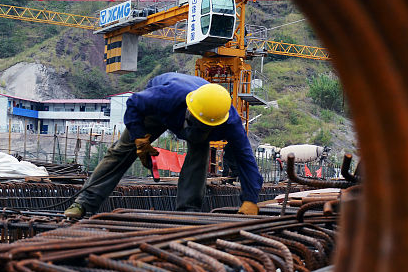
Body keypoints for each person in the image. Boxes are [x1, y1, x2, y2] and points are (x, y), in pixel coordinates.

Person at [63, 73, 262, 219]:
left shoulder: (230, 122)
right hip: (161, 113)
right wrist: (140, 138)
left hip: (195, 121)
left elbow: (246, 160)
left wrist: (250, 199)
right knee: (122, 151)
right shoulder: (165, 97)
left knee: (199, 156)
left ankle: (188, 212)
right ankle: (83, 203)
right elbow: (133, 104)